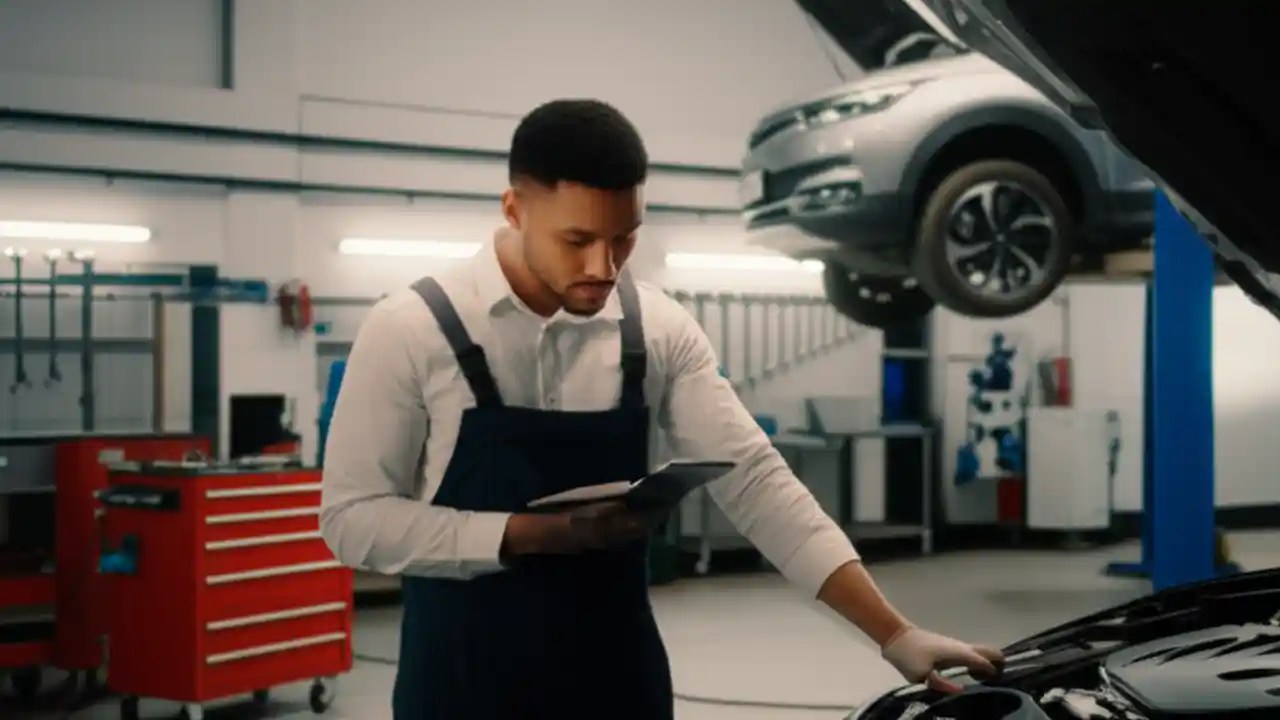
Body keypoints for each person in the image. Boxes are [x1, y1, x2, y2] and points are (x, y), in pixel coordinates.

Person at [320, 98, 1003, 719]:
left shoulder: (656, 330)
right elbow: (351, 522)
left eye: (624, 238)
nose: (604, 265)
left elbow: (758, 482)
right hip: (462, 690)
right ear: (514, 209)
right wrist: (526, 536)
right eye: (577, 240)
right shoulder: (411, 329)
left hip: (617, 684)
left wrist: (895, 634)